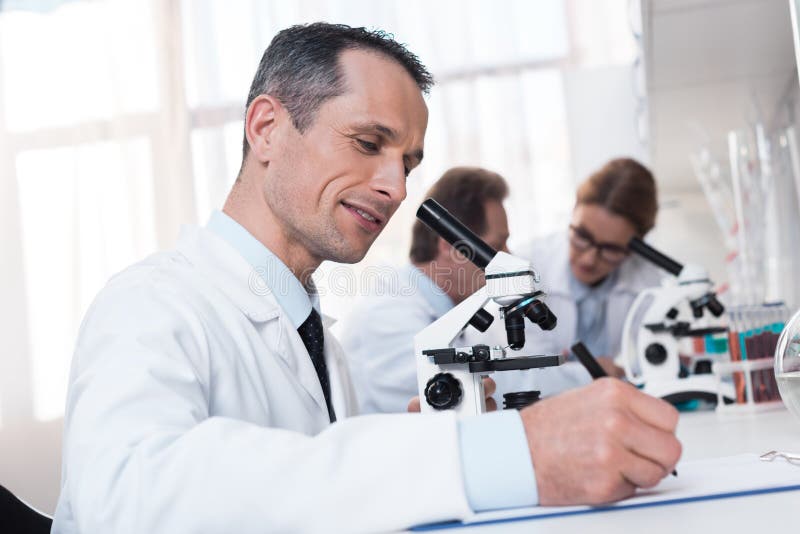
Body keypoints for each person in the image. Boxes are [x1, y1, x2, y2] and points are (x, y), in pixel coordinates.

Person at [52, 24, 681, 533]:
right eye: (366, 142)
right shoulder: (149, 305)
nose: (397, 187)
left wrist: (417, 444)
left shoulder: (313, 333)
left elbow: (310, 493)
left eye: (407, 161)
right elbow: (125, 497)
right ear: (266, 128)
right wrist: (482, 458)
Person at [338, 166, 510, 414]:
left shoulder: (449, 313)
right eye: (496, 246)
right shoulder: (387, 320)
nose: (509, 257)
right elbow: (470, 402)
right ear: (452, 247)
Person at [497, 158, 664, 398]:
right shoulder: (526, 267)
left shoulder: (646, 283)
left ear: (635, 248)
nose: (589, 259)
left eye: (611, 249)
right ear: (573, 210)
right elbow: (524, 373)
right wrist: (594, 372)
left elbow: (650, 368)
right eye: (582, 237)